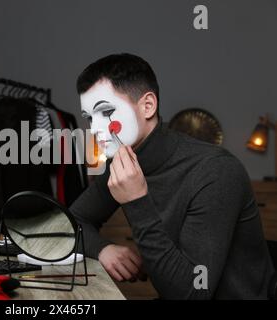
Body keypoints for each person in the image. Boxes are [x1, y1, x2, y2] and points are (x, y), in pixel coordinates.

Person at [70, 53, 275, 299]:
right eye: (90, 118)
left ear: (148, 106)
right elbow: (71, 221)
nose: (95, 129)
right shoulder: (122, 160)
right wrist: (103, 249)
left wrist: (136, 201)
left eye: (106, 112)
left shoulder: (217, 172)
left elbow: (191, 294)